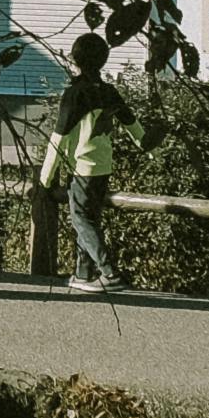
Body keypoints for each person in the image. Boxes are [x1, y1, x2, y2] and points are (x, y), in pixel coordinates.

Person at [36, 30, 134, 292]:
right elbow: (133, 126)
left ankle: (109, 272)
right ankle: (83, 273)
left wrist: (45, 178)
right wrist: (151, 148)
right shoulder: (108, 91)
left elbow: (59, 138)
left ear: (75, 59)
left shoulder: (75, 94)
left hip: (82, 166)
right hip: (104, 164)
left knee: (80, 218)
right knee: (89, 217)